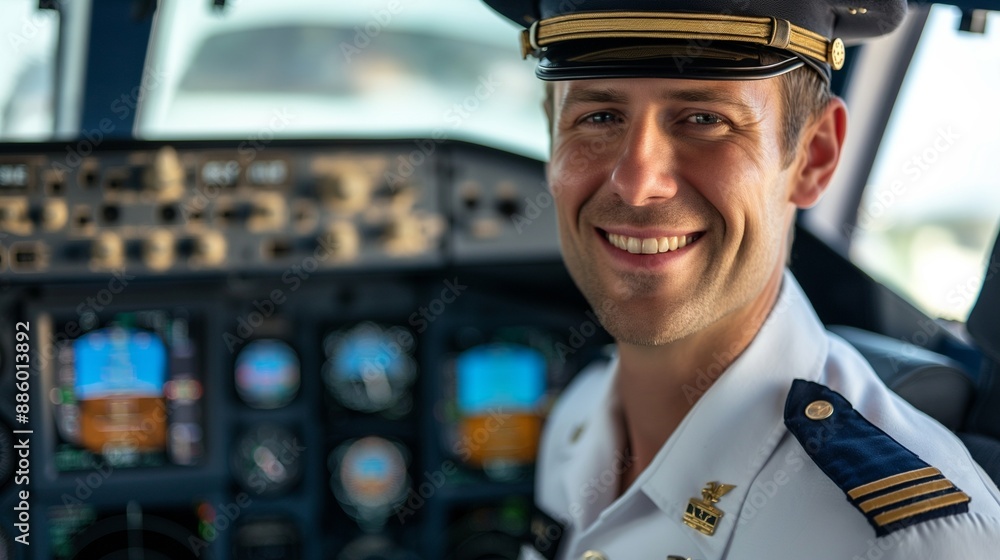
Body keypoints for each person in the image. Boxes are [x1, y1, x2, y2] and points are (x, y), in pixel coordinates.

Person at [480, 1, 1000, 558]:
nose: (635, 182)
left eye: (705, 119)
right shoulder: (578, 418)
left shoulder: (907, 544)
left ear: (813, 158)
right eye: (599, 117)